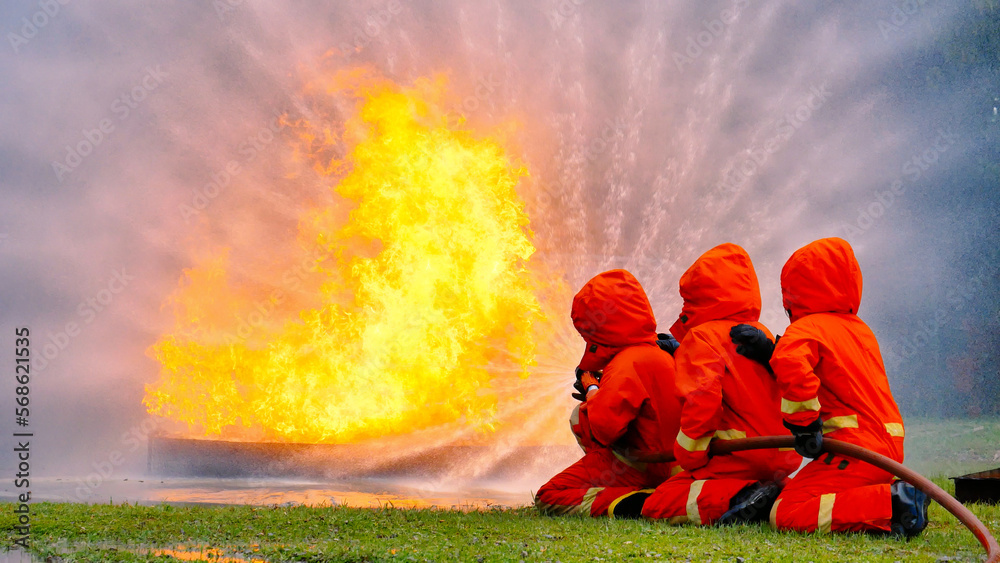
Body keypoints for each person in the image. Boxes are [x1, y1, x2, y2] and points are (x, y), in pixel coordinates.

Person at [730, 237, 928, 537]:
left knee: (788, 511)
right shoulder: (860, 330)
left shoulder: (805, 329)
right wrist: (770, 353)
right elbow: (832, 373)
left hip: (853, 449)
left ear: (794, 294)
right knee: (819, 492)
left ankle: (891, 505)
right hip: (887, 448)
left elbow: (795, 367)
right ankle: (890, 497)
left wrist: (805, 426)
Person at [642, 243, 801, 525]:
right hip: (780, 457)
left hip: (736, 458)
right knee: (777, 488)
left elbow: (703, 398)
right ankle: (772, 496)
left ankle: (741, 498)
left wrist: (690, 456)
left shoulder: (701, 337)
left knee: (660, 501)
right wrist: (680, 350)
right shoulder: (761, 333)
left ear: (700, 295)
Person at [534, 269, 681, 518]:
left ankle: (636, 501)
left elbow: (605, 429)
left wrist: (592, 389)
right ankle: (646, 492)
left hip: (638, 465)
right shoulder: (662, 354)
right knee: (580, 415)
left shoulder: (625, 364)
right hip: (672, 463)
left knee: (550, 495)